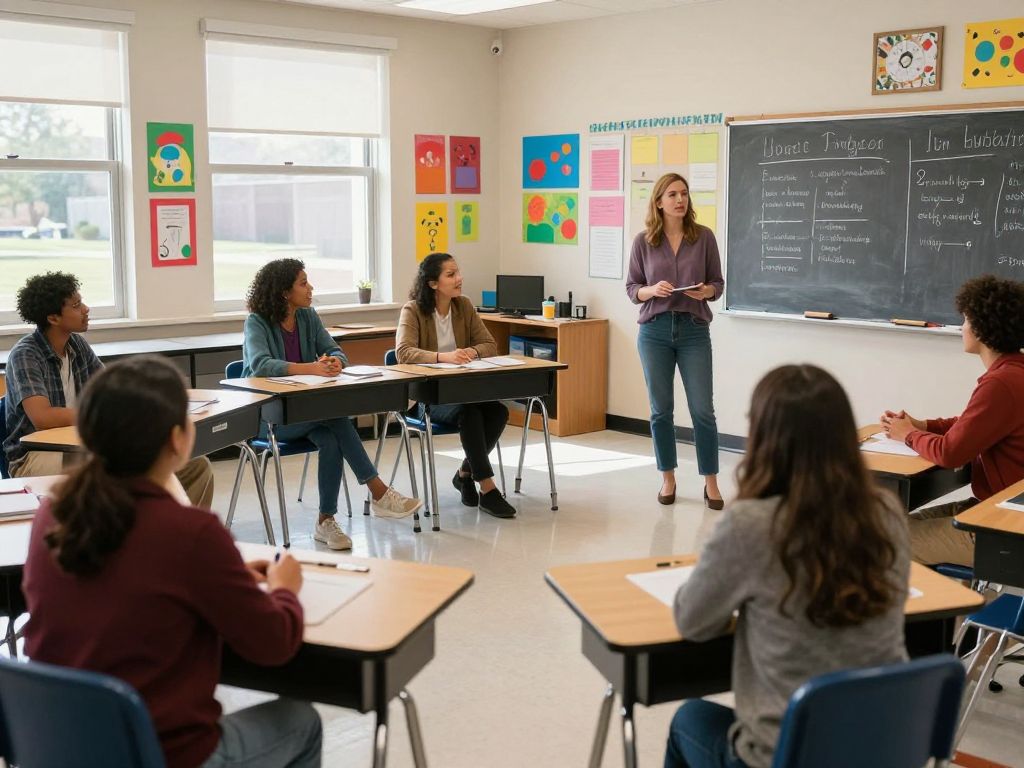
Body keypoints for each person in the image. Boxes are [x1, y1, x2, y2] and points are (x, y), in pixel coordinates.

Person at [23, 356, 321, 768]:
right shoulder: (191, 532)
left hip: (62, 749)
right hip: (163, 755)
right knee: (302, 722)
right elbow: (274, 645)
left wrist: (223, 577)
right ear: (178, 439)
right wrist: (285, 589)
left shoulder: (50, 515)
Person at [665, 365, 909, 768]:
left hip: (784, 755)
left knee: (688, 719)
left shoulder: (751, 523)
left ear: (764, 437)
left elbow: (692, 621)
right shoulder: (886, 511)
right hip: (879, 748)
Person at [243, 258, 421, 549]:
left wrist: (335, 361)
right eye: (303, 283)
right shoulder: (257, 322)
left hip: (307, 412)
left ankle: (326, 521)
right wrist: (310, 368)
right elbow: (260, 365)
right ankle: (378, 492)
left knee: (331, 436)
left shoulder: (307, 316)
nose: (310, 288)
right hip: (268, 418)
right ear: (284, 292)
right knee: (335, 418)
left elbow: (336, 351)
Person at [2, 272, 213, 508]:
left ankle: (177, 530)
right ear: (53, 318)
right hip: (35, 456)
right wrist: (100, 415)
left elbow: (111, 393)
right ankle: (131, 527)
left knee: (195, 467)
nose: (86, 309)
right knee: (114, 474)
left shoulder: (77, 345)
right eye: (76, 305)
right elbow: (43, 418)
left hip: (85, 445)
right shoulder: (26, 355)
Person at [882, 274, 1024, 567]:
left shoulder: (1001, 384)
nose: (962, 328)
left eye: (966, 320)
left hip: (1003, 530)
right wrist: (923, 426)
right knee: (888, 527)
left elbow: (950, 453)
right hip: (998, 511)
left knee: (881, 541)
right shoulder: (1015, 372)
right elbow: (973, 425)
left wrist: (908, 435)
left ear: (982, 328)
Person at [626, 172, 725, 509]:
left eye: (684, 193)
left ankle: (711, 482)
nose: (680, 199)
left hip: (693, 329)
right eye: (672, 194)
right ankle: (667, 478)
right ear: (659, 201)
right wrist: (651, 290)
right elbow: (632, 289)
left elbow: (718, 284)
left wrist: (705, 291)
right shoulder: (643, 241)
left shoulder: (704, 237)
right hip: (654, 331)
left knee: (703, 410)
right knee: (661, 411)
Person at [396, 252, 516, 519]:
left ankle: (464, 474)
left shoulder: (464, 305)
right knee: (469, 413)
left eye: (458, 272)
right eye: (451, 274)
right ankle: (487, 488)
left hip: (465, 390)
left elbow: (490, 345)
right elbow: (403, 352)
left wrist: (471, 352)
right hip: (428, 396)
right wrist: (443, 357)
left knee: (498, 411)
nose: (459, 278)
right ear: (432, 283)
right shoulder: (412, 310)